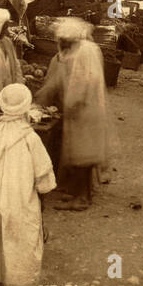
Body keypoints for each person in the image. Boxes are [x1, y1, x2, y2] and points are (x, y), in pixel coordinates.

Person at [0, 83, 58, 286]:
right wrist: (41, 201)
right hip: (19, 199)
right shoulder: (30, 138)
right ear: (26, 107)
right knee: (19, 238)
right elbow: (44, 176)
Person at [33, 17, 114, 209]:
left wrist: (65, 103)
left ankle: (82, 198)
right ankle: (79, 193)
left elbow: (80, 84)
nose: (59, 43)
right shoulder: (85, 49)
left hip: (84, 111)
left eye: (61, 40)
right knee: (82, 155)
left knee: (82, 156)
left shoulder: (81, 53)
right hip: (87, 110)